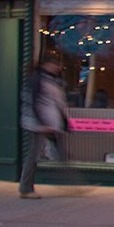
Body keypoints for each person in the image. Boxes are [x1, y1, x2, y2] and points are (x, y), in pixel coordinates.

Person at [18, 55, 69, 199]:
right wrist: (42, 124)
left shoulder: (49, 80)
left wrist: (64, 122)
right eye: (55, 65)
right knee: (34, 155)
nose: (58, 68)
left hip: (49, 124)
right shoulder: (38, 79)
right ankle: (26, 188)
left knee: (59, 154)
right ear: (47, 65)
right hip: (39, 125)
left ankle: (70, 182)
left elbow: (57, 102)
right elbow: (35, 103)